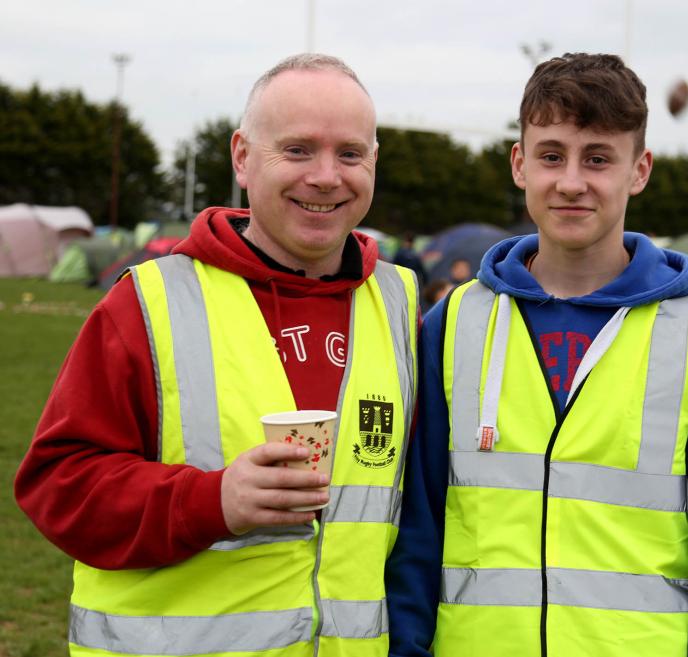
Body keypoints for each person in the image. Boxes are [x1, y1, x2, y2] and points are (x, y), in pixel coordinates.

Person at [15, 53, 419, 657]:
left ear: (374, 164)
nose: (327, 176)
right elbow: (58, 484)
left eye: (350, 154)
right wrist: (212, 501)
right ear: (242, 157)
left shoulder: (399, 303)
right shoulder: (150, 302)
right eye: (299, 149)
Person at [386, 53, 688, 657]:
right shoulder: (452, 324)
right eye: (551, 155)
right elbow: (415, 528)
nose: (571, 181)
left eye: (597, 158)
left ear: (638, 170)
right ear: (519, 163)